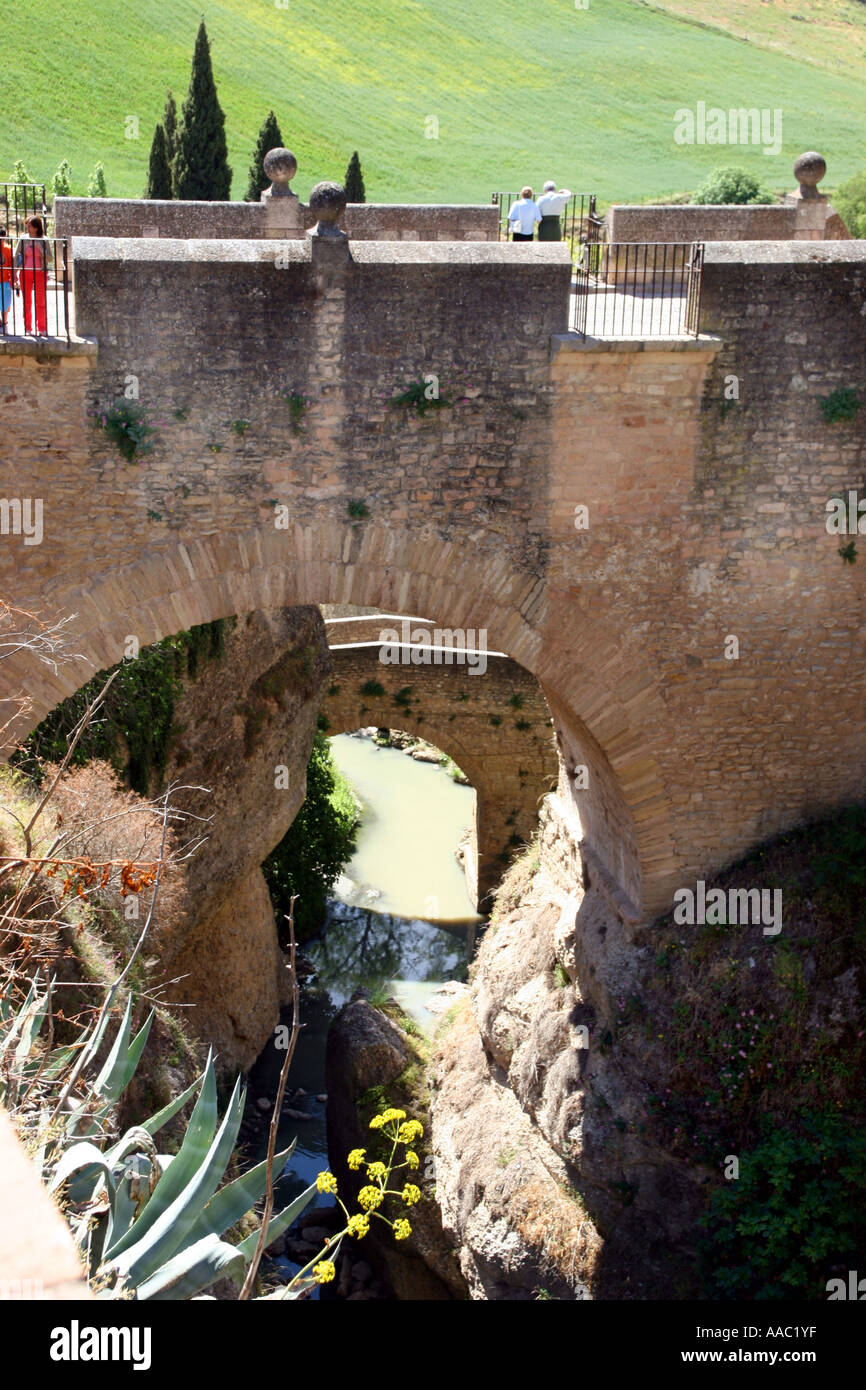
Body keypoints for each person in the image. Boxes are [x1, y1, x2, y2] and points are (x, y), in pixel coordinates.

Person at [15, 216, 52, 336]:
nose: (27, 227)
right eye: (27, 225)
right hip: (26, 271)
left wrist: (41, 249)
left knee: (40, 301)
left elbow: (50, 258)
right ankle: (28, 328)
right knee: (27, 301)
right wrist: (15, 272)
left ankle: (42, 327)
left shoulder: (44, 239)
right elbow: (16, 255)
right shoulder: (23, 238)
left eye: (30, 225)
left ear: (36, 227)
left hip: (40, 272)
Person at [0, 224, 18, 331]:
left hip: (5, 280)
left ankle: (5, 322)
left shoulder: (8, 249)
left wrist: (14, 276)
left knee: (6, 303)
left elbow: (11, 264)